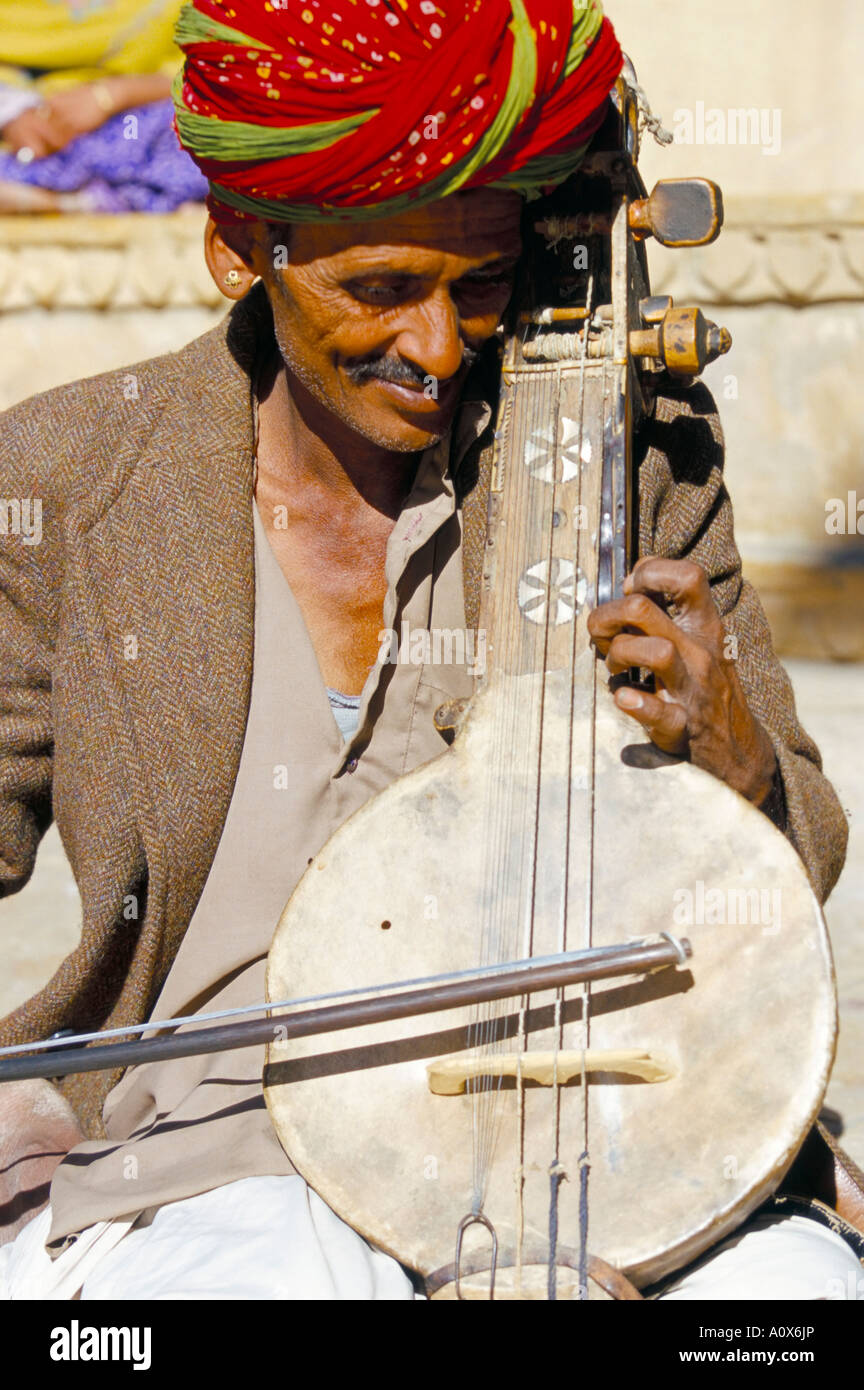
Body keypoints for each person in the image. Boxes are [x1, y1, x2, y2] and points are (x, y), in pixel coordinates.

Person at [0, 0, 860, 1300]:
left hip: (624, 1124)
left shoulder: (640, 451)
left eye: (484, 285)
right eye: (383, 288)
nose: (441, 346)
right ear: (243, 248)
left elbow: (793, 856)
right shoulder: (69, 480)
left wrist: (732, 756)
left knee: (793, 1305)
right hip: (228, 1167)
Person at [0, 0, 206, 211]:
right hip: (23, 126)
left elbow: (210, 69)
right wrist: (13, 111)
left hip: (131, 120)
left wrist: (112, 96)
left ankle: (78, 200)